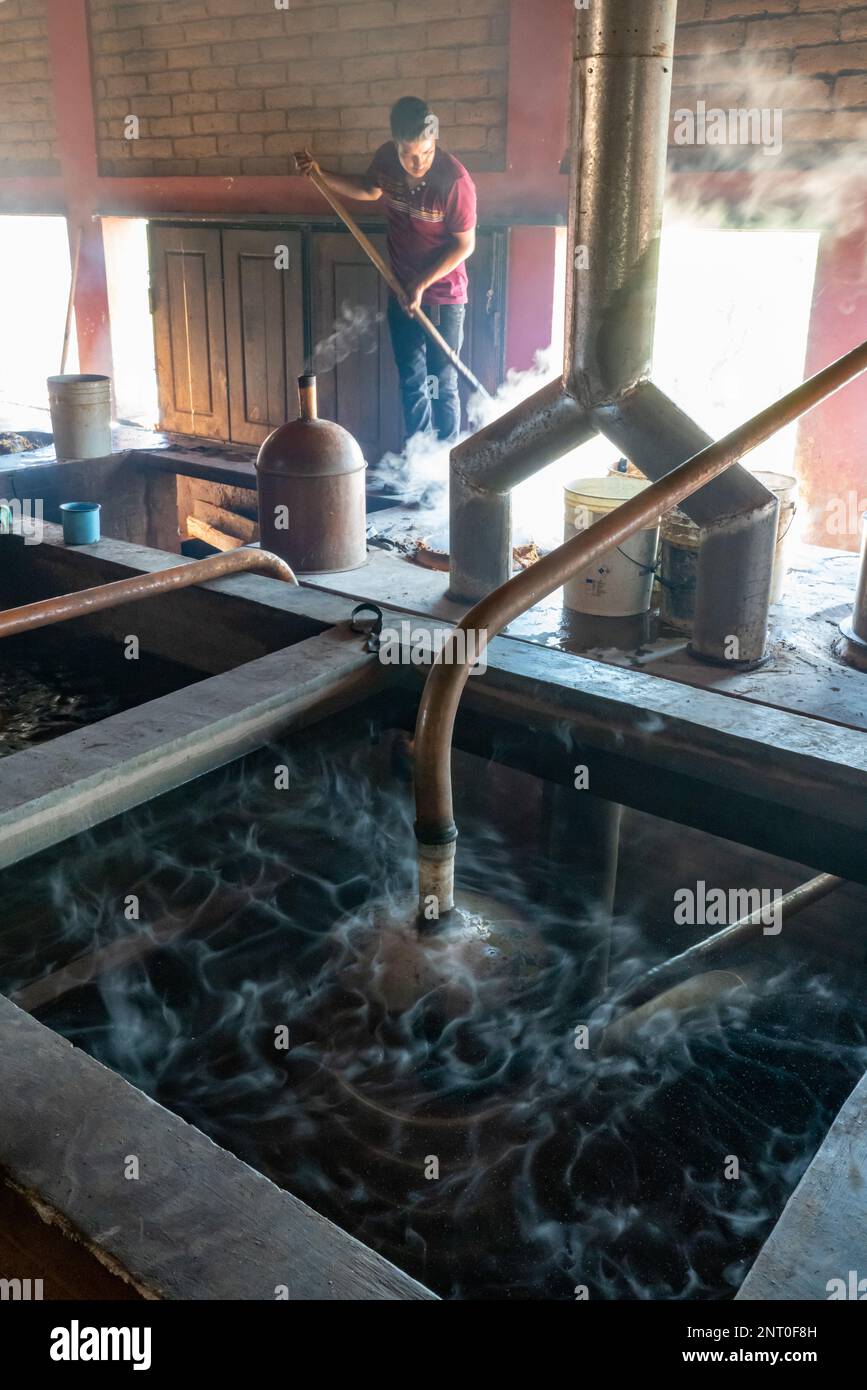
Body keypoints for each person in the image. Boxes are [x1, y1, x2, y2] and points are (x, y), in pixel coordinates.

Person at [296, 96, 477, 444]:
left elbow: (464, 245)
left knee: (441, 383)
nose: (418, 161)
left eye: (426, 152)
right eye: (409, 153)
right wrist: (321, 175)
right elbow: (368, 189)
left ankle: (444, 469)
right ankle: (418, 463)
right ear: (395, 144)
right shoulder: (385, 161)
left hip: (443, 297)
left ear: (435, 141)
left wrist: (422, 284)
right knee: (411, 381)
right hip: (400, 289)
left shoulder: (454, 182)